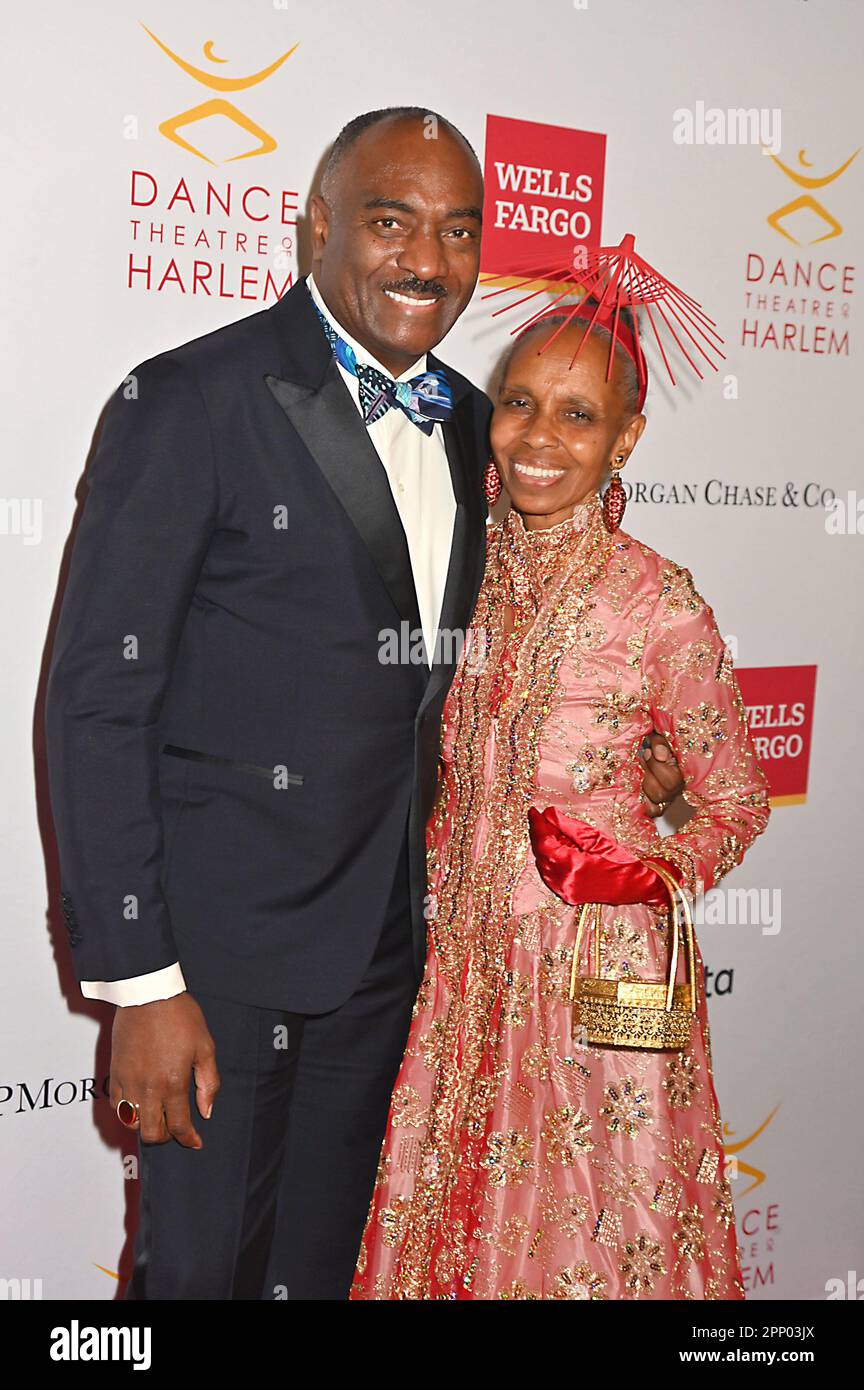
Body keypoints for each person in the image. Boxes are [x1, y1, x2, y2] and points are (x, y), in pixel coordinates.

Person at [44, 107, 684, 1301]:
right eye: (392, 223)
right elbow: (97, 700)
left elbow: (480, 671)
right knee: (196, 1277)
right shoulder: (189, 400)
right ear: (318, 227)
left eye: (458, 230)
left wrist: (637, 762)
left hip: (387, 962)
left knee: (321, 1272)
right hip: (216, 972)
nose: (429, 262)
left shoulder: (463, 430)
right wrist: (140, 981)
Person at [350, 299, 771, 1301]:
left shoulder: (660, 602)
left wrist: (650, 872)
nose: (540, 438)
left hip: (600, 988)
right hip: (456, 969)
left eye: (579, 417)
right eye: (521, 404)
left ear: (627, 438)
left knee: (593, 1242)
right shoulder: (458, 573)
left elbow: (739, 805)